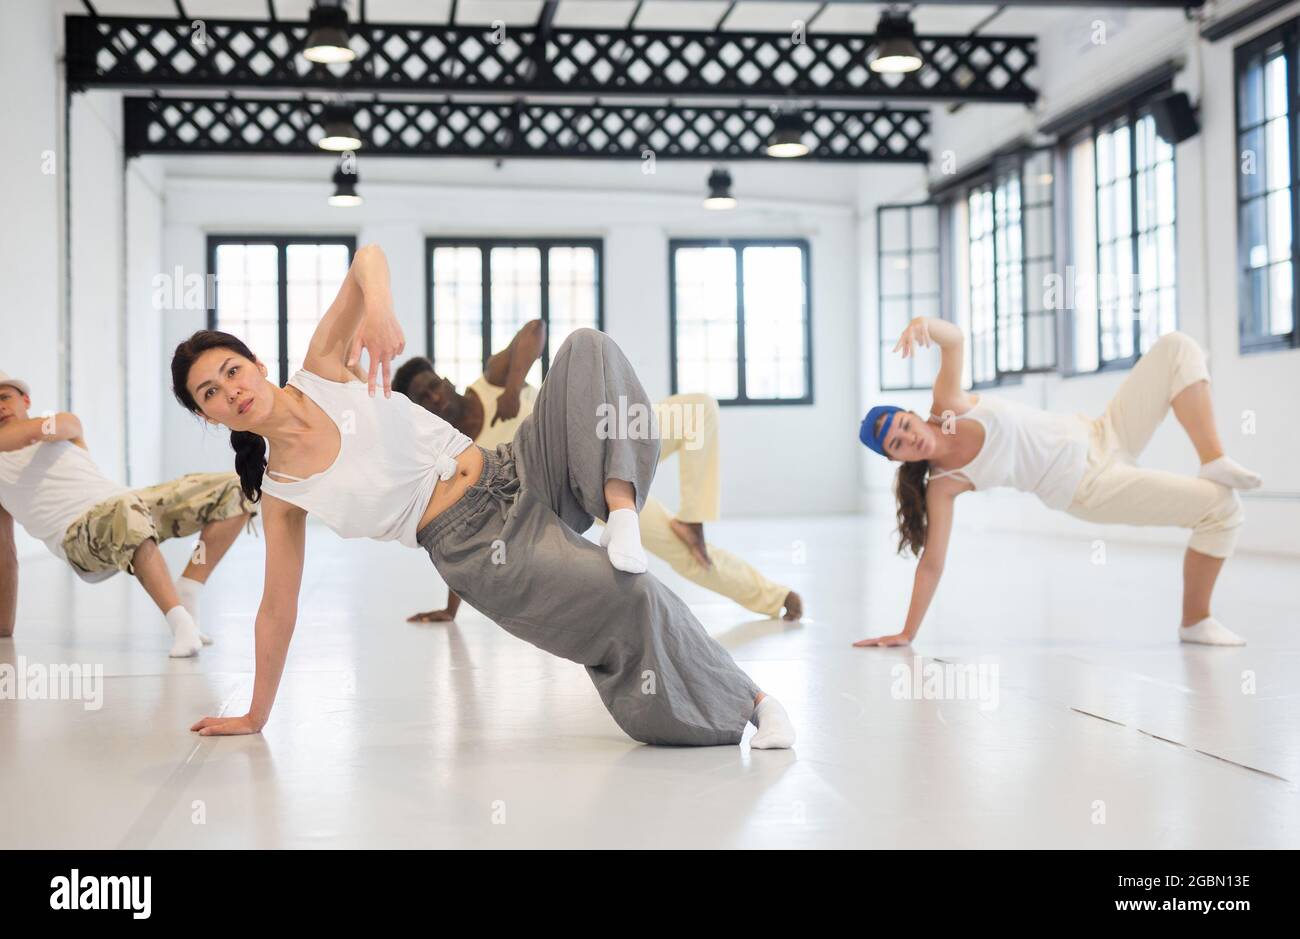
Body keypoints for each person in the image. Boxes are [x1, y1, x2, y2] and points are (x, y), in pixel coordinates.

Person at [171, 244, 795, 748]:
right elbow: (276, 610)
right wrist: (255, 713)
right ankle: (753, 703)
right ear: (210, 417)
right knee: (629, 596)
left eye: (231, 371)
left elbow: (367, 258)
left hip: (513, 467)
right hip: (477, 545)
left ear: (253, 362)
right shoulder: (282, 493)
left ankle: (621, 509)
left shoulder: (323, 368)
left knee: (586, 347)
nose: (230, 391)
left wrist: (380, 307)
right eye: (210, 394)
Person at [855, 316, 1258, 649]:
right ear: (896, 459)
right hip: (1087, 486)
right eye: (898, 444)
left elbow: (955, 340)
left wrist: (924, 325)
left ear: (912, 414)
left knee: (1177, 346)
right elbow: (932, 564)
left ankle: (1213, 459)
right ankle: (1195, 620)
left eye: (905, 425)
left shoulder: (947, 403)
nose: (910, 438)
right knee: (1222, 508)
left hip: (1103, 433)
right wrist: (907, 633)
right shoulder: (944, 484)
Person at [391, 326, 802, 624]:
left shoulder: (492, 379)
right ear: (424, 413)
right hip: (589, 485)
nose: (434, 398)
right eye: (424, 400)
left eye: (432, 386)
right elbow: (467, 523)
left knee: (698, 410)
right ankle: (775, 597)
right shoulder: (464, 452)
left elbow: (534, 332)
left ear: (443, 379)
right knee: (684, 553)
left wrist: (514, 389)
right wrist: (451, 608)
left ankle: (694, 519)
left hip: (613, 430)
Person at [0, 372, 255, 655]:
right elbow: (5, 552)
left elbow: (38, 431)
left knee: (236, 488)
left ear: (25, 400)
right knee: (123, 511)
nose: (0, 407)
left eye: (4, 397)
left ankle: (189, 586)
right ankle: (180, 622)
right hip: (79, 538)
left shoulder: (60, 424)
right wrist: (4, 627)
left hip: (128, 503)